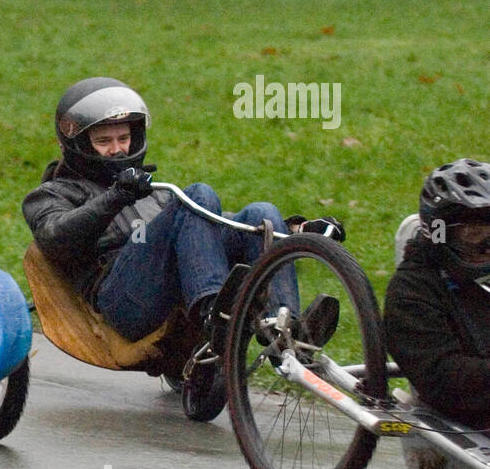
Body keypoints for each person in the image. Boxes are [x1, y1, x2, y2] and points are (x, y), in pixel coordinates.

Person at [22, 76, 342, 396]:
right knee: (197, 196)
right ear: (77, 144)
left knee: (260, 212)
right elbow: (55, 239)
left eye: (123, 138)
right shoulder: (52, 194)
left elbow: (215, 225)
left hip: (164, 290)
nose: (118, 149)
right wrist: (116, 196)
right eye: (104, 141)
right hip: (120, 302)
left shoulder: (153, 192)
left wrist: (297, 232)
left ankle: (286, 333)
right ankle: (216, 316)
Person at [384, 158, 490, 430]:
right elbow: (442, 379)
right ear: (439, 233)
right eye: (475, 233)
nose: (487, 246)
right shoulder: (411, 292)